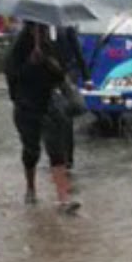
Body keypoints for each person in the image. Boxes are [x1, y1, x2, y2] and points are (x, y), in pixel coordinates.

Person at [5, 20, 79, 214]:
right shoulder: (16, 52)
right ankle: (30, 187)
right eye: (39, 29)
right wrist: (30, 64)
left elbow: (60, 76)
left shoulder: (50, 48)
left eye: (45, 29)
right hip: (26, 109)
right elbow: (12, 84)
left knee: (57, 152)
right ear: (30, 30)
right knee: (31, 152)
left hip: (49, 106)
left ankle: (63, 199)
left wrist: (51, 64)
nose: (43, 32)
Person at [48, 24, 87, 171]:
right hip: (47, 79)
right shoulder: (37, 30)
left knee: (65, 118)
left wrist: (87, 78)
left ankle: (68, 157)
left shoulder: (66, 28)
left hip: (67, 76)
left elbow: (77, 53)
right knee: (50, 120)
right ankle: (55, 156)